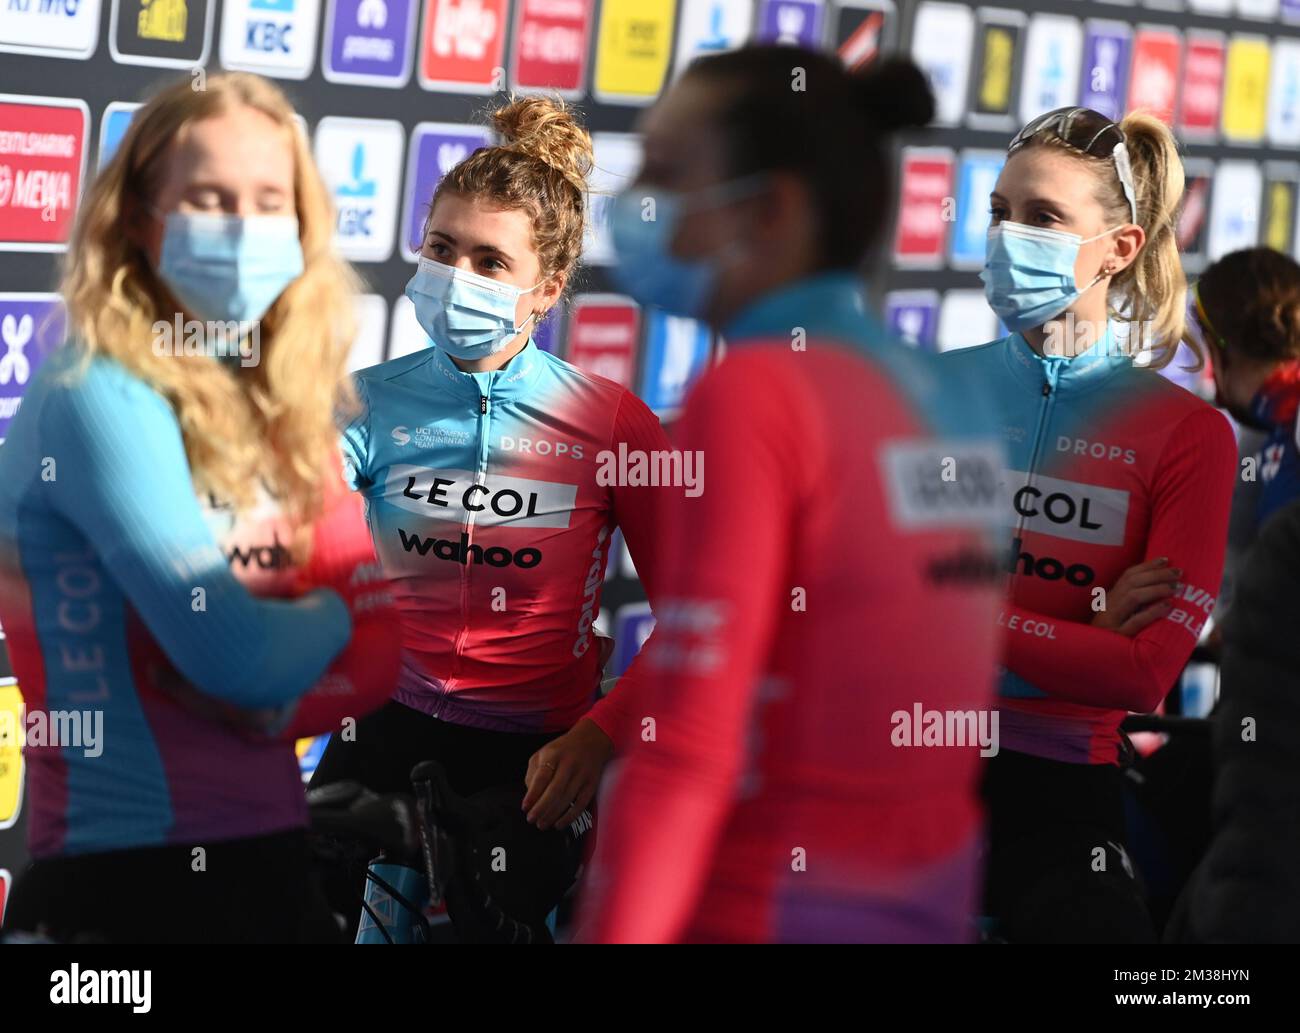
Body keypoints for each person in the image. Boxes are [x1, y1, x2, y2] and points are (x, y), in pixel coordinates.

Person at [576, 47, 1006, 944]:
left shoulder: (758, 393)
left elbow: (689, 746)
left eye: (663, 172)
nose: (631, 204)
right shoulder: (957, 396)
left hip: (759, 905)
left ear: (769, 210)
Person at [0, 73, 400, 944]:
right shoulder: (94, 393)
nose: (245, 226)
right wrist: (319, 619)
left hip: (271, 869)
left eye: (270, 200)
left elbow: (378, 654)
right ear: (139, 219)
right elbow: (239, 658)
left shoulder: (282, 407)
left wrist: (280, 684)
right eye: (210, 199)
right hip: (119, 892)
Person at [308, 96, 672, 939]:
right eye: (442, 248)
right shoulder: (367, 402)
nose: (455, 276)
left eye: (488, 260)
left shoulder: (613, 423)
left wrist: (600, 736)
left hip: (537, 763)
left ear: (544, 291)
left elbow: (698, 619)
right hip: (383, 734)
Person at [942, 107, 1237, 942]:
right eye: (1000, 212)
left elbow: (1142, 673)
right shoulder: (925, 393)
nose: (1008, 237)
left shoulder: (1188, 434)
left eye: (1043, 218)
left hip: (1063, 787)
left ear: (1121, 248)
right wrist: (1082, 635)